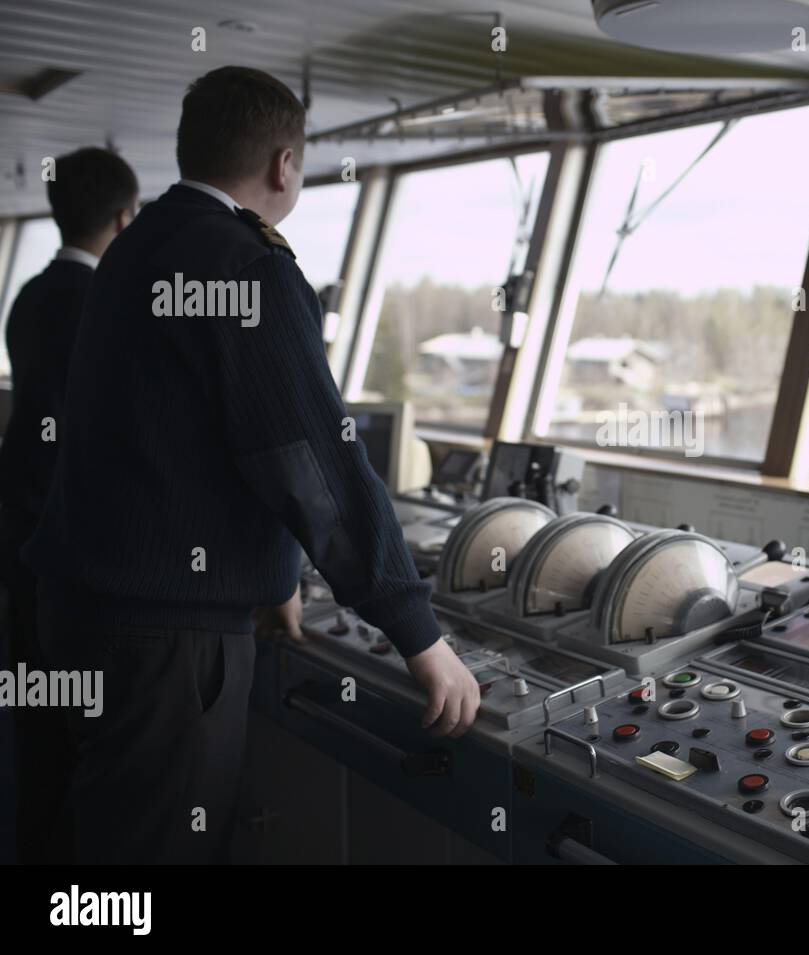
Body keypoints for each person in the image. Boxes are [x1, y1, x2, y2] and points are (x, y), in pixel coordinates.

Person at [23, 66, 479, 864]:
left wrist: (271, 582)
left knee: (91, 837)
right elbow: (313, 461)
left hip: (80, 610)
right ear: (283, 166)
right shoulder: (247, 268)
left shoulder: (134, 251)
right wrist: (418, 630)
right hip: (166, 642)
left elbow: (174, 436)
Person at [0, 147, 138, 864]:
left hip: (22, 533)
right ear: (125, 217)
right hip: (80, 557)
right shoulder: (105, 304)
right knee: (86, 741)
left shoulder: (27, 295)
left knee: (38, 723)